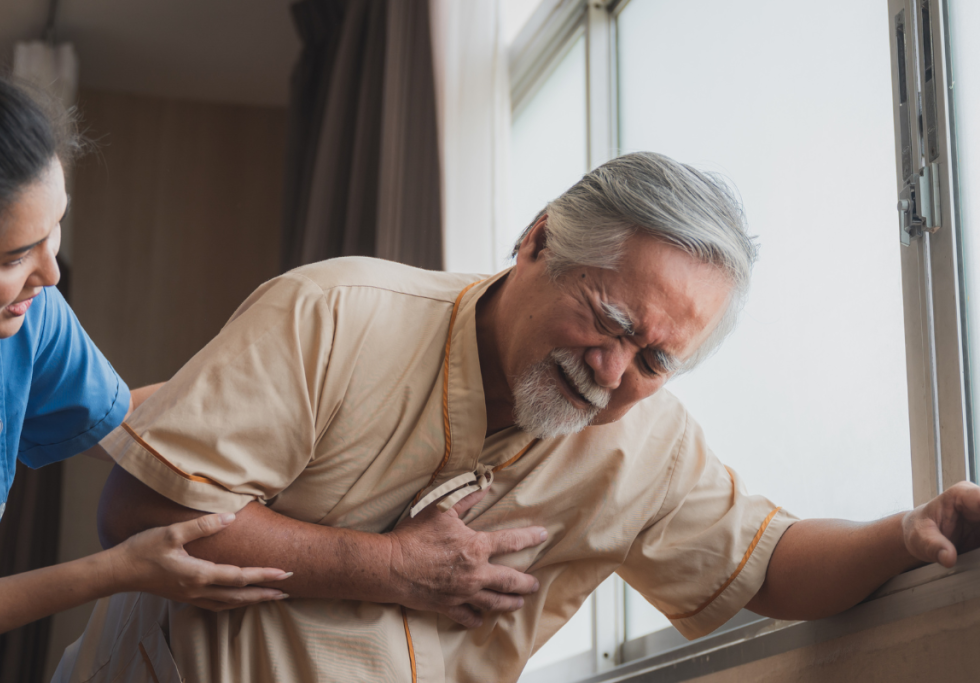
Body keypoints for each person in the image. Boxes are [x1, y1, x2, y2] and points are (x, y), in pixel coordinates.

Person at [54, 153, 980, 683]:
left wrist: (907, 533)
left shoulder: (648, 445)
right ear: (537, 240)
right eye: (609, 321)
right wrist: (390, 568)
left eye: (655, 359)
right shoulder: (332, 313)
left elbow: (768, 563)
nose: (613, 372)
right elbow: (142, 519)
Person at [0, 65, 292, 649]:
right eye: (14, 258)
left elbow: (124, 425)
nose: (52, 274)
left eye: (54, 228)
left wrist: (292, 403)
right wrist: (117, 571)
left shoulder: (30, 313)